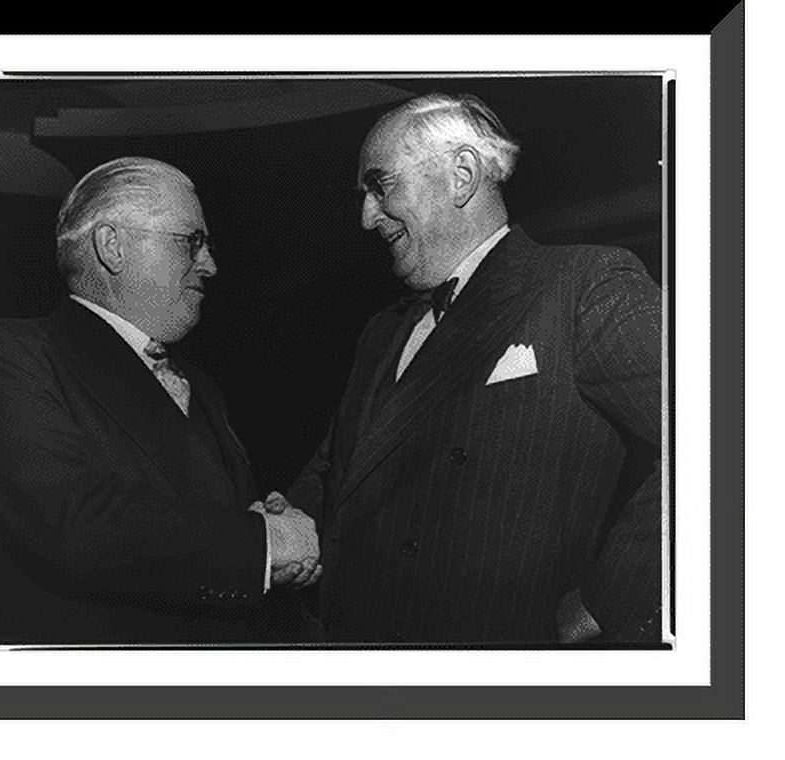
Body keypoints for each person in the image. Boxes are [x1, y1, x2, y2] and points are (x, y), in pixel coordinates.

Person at [282, 93, 663, 644]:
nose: (366, 217)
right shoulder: (382, 332)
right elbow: (342, 469)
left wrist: (609, 599)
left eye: (379, 186)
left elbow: (722, 435)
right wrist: (281, 525)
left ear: (461, 175)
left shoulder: (584, 286)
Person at [0, 157, 319, 645]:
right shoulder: (2, 354)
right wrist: (263, 544)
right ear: (113, 246)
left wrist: (260, 520)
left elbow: (195, 516)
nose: (210, 264)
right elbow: (77, 522)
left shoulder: (202, 385)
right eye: (191, 241)